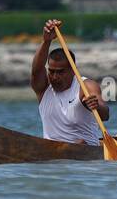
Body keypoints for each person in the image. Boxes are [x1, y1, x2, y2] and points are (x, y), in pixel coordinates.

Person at [31, 18, 109, 146]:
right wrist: (46, 41)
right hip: (52, 152)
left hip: (86, 153)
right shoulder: (43, 88)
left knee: (80, 143)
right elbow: (36, 71)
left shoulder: (86, 87)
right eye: (51, 71)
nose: (55, 76)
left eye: (60, 72)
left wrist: (97, 106)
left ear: (73, 71)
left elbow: (105, 115)